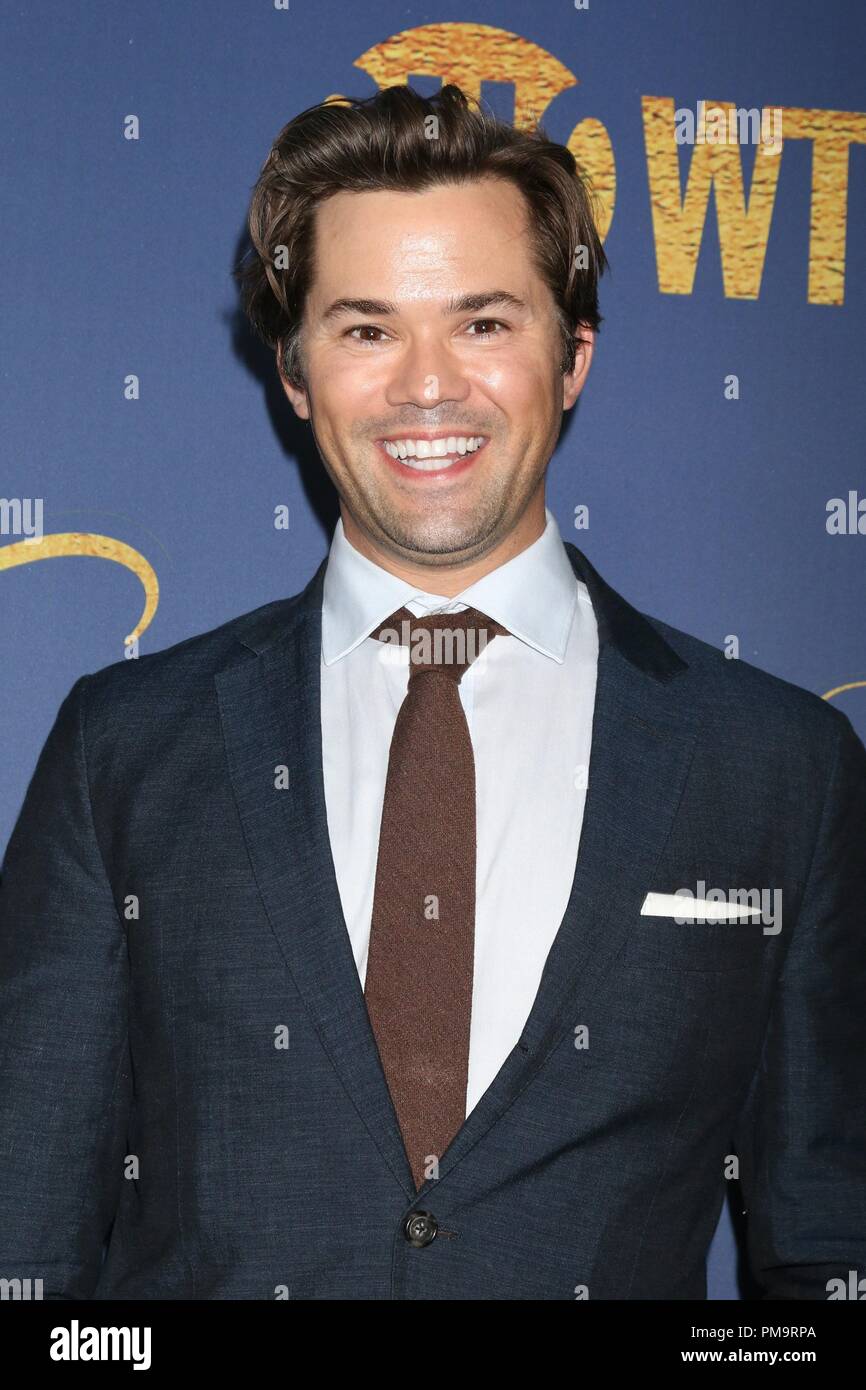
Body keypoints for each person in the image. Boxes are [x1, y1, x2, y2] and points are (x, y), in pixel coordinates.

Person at [1, 84, 864, 1301]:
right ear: (294, 373)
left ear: (570, 358)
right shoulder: (122, 748)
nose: (424, 386)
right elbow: (21, 1236)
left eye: (481, 325)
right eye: (364, 329)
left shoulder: (782, 764)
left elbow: (830, 1249)